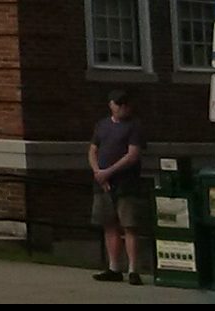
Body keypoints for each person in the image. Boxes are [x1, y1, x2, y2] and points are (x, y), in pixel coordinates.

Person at [90, 87, 150, 285]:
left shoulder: (135, 126)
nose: (122, 108)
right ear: (111, 105)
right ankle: (114, 267)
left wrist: (110, 171)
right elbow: (92, 150)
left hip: (126, 183)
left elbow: (132, 155)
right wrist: (98, 172)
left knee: (129, 225)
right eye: (118, 104)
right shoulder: (102, 125)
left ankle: (133, 269)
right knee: (109, 225)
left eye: (125, 104)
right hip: (104, 183)